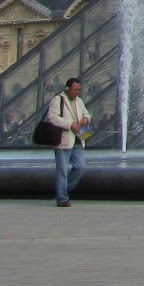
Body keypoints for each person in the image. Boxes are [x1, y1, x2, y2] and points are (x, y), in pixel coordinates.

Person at [46, 77, 91, 207]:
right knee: (62, 170)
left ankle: (62, 191)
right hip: (64, 140)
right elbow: (52, 118)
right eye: (75, 89)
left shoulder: (79, 101)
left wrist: (86, 119)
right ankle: (62, 199)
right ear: (68, 88)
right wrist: (70, 124)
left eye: (79, 90)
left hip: (78, 139)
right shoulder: (58, 99)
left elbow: (87, 114)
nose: (77, 92)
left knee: (80, 167)